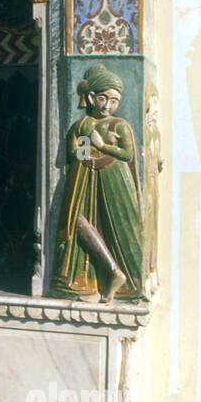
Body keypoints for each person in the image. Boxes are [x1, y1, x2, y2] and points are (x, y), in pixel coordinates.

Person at [52, 65, 143, 302]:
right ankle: (110, 272)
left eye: (114, 101)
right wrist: (88, 143)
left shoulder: (119, 125)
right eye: (103, 98)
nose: (107, 106)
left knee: (119, 228)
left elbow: (127, 154)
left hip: (115, 180)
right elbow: (77, 153)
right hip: (84, 178)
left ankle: (124, 277)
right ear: (92, 97)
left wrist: (102, 145)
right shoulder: (82, 125)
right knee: (78, 223)